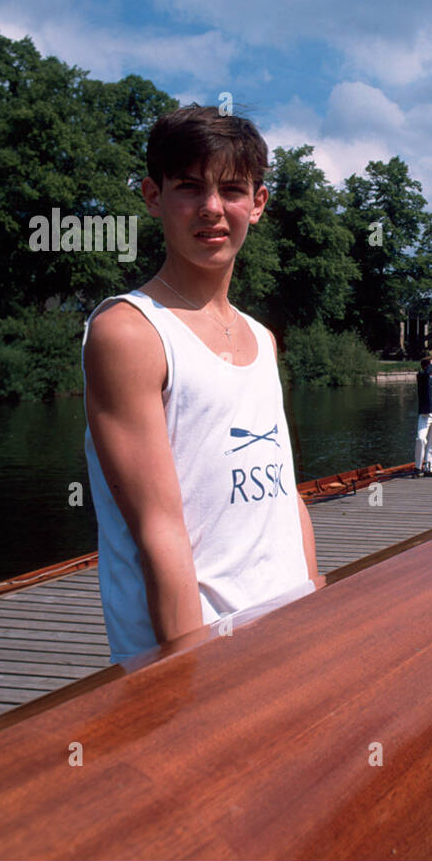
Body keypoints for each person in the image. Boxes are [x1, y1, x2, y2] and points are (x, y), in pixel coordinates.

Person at [82, 104, 322, 665]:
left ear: (258, 204)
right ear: (152, 196)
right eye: (189, 187)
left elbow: (286, 496)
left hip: (287, 629)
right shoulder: (129, 332)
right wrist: (193, 676)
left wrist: (315, 603)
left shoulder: (261, 337)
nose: (212, 208)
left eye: (232, 190)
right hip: (199, 652)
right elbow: (158, 530)